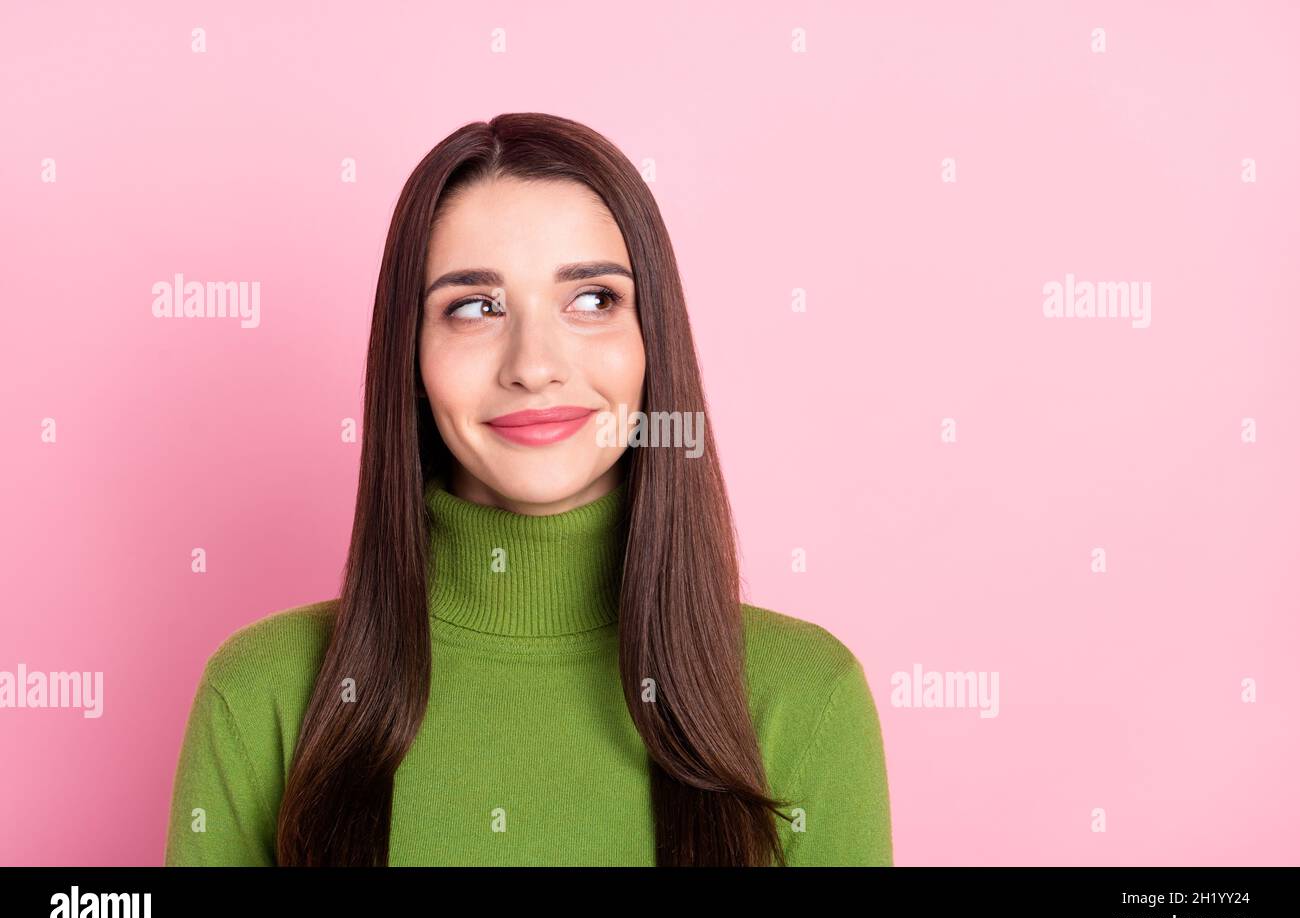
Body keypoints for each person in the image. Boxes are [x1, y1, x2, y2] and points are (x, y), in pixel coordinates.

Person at [164, 112, 892, 866]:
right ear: (410, 357)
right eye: (475, 307)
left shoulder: (805, 699)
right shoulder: (262, 696)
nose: (534, 364)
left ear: (652, 341)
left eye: (592, 300)